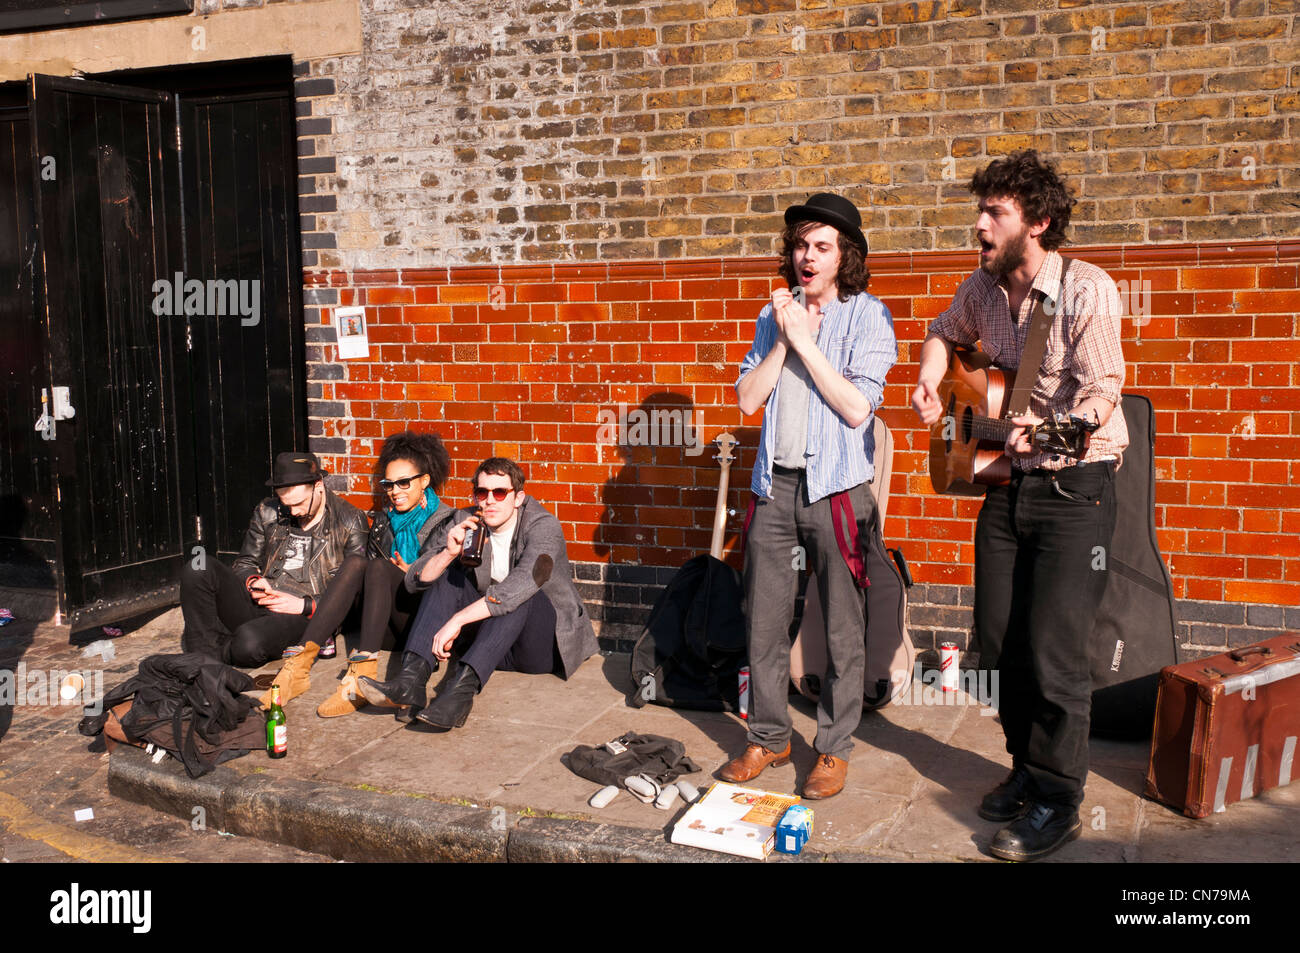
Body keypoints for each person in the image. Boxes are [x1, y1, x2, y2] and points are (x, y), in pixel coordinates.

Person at [911, 150, 1128, 861]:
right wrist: (928, 381)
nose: (979, 225)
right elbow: (941, 332)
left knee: (1054, 652)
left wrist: (1057, 426)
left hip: (1076, 485)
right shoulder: (982, 285)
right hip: (1010, 482)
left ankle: (1059, 799)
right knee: (998, 642)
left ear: (1036, 222)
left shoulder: (1086, 290)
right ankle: (1026, 767)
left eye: (994, 213)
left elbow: (1104, 389)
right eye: (981, 210)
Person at [720, 193, 897, 799]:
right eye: (800, 245)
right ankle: (769, 738)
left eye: (822, 247)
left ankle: (833, 748)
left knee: (843, 628)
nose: (806, 256)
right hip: (773, 487)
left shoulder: (870, 316)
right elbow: (747, 399)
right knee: (762, 623)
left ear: (844, 256)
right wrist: (783, 339)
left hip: (837, 491)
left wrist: (808, 341)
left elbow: (854, 408)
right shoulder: (775, 315)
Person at [357, 457, 598, 729]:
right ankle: (410, 682)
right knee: (449, 575)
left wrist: (457, 620)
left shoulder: (543, 526)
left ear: (518, 498)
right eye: (482, 493)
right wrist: (448, 553)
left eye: (500, 492)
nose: (490, 501)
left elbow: (521, 585)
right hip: (492, 642)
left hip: (538, 648)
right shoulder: (465, 519)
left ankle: (459, 696)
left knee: (518, 593)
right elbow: (414, 579)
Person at [262, 431, 455, 716]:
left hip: (420, 627)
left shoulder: (447, 521)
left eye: (404, 482)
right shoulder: (383, 521)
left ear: (425, 480)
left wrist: (410, 573)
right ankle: (297, 668)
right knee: (357, 563)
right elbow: (369, 582)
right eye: (389, 484)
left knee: (377, 566)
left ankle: (358, 681)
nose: (395, 491)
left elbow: (446, 591)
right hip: (384, 626)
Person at [179, 451, 368, 668]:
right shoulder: (267, 511)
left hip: (301, 615)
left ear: (318, 485)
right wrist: (252, 581)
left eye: (299, 503)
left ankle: (211, 645)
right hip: (261, 601)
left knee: (248, 644)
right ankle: (204, 659)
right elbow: (245, 562)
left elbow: (355, 591)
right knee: (197, 565)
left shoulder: (350, 520)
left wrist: (304, 604)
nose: (293, 511)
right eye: (286, 504)